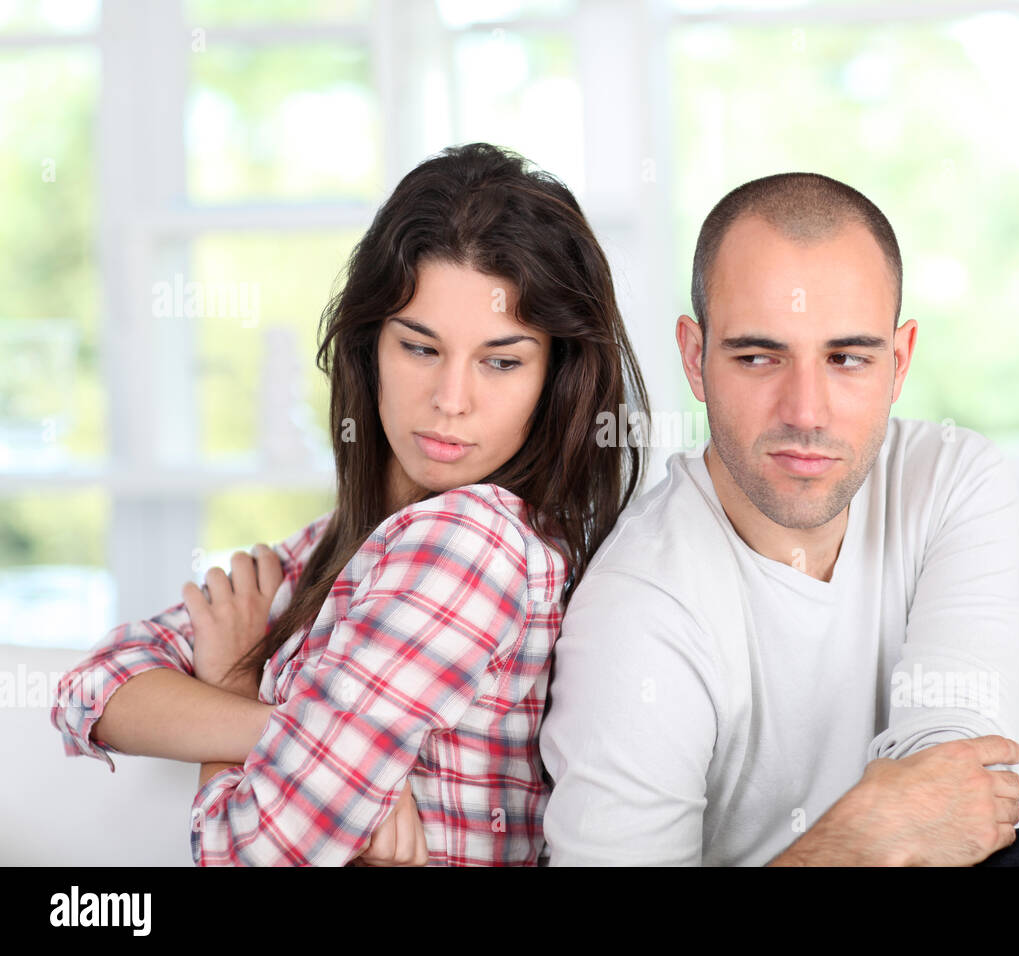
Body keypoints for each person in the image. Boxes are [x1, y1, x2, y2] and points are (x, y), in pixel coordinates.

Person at [50, 142, 648, 867]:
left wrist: (234, 677)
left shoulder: (469, 541)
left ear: (556, 377)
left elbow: (239, 854)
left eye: (501, 360)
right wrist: (290, 729)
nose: (450, 401)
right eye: (420, 348)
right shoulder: (341, 542)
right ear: (369, 349)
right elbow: (91, 690)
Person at [538, 171, 1019, 866]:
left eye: (848, 358)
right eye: (760, 356)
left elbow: (951, 776)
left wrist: (904, 817)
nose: (806, 412)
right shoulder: (638, 604)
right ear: (695, 359)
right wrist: (851, 842)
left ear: (901, 359)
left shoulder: (948, 479)